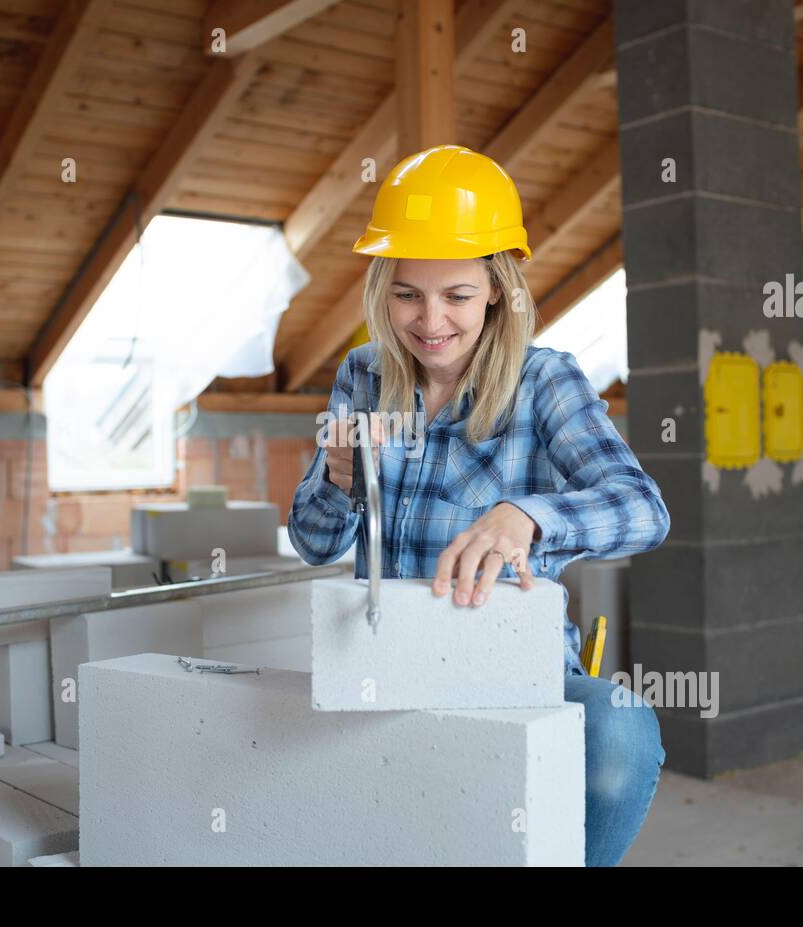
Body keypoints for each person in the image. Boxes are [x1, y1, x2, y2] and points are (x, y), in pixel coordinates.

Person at [287, 144, 670, 866]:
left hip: (512, 668)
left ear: (496, 288)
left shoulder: (545, 381)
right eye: (406, 294)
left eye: (456, 294)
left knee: (617, 729)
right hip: (385, 658)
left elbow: (644, 510)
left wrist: (530, 516)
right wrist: (336, 483)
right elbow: (312, 544)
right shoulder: (362, 375)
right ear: (381, 291)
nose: (430, 320)